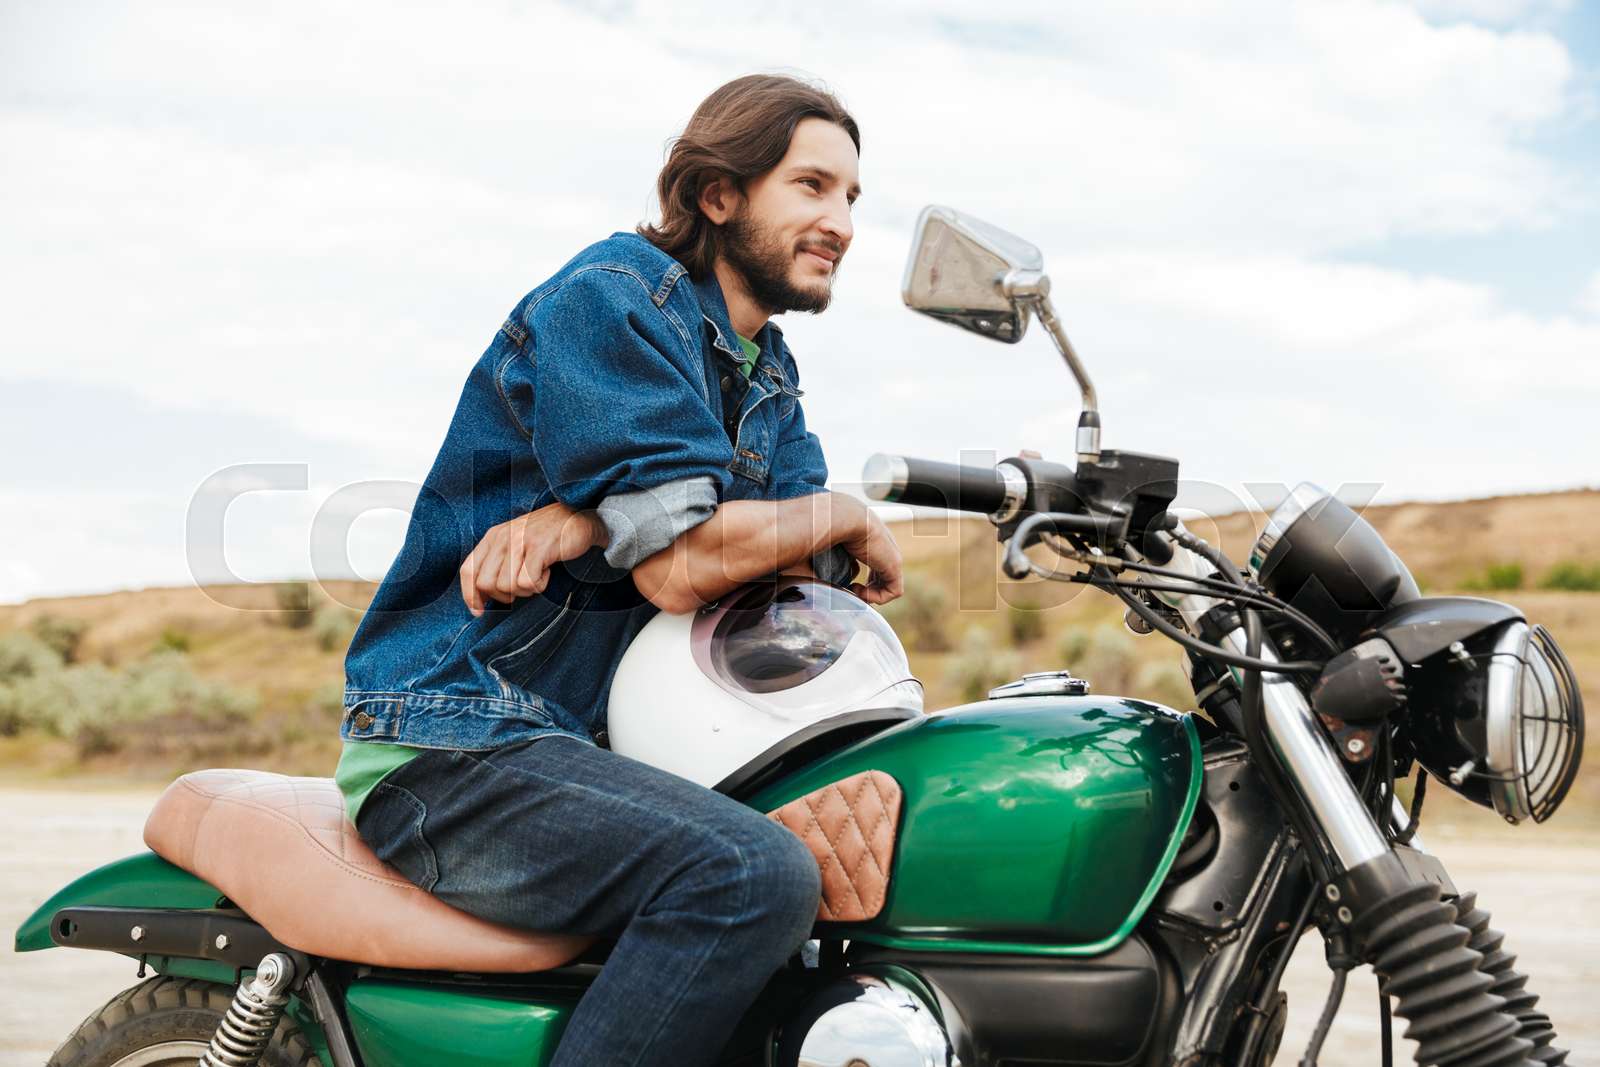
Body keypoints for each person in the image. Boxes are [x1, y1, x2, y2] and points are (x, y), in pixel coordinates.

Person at [336, 73, 903, 1065]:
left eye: (852, 197)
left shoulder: (764, 369)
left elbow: (785, 579)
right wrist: (835, 511)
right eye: (811, 186)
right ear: (718, 195)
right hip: (461, 737)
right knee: (752, 873)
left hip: (591, 749)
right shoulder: (616, 296)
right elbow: (689, 565)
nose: (841, 221)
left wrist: (596, 522)